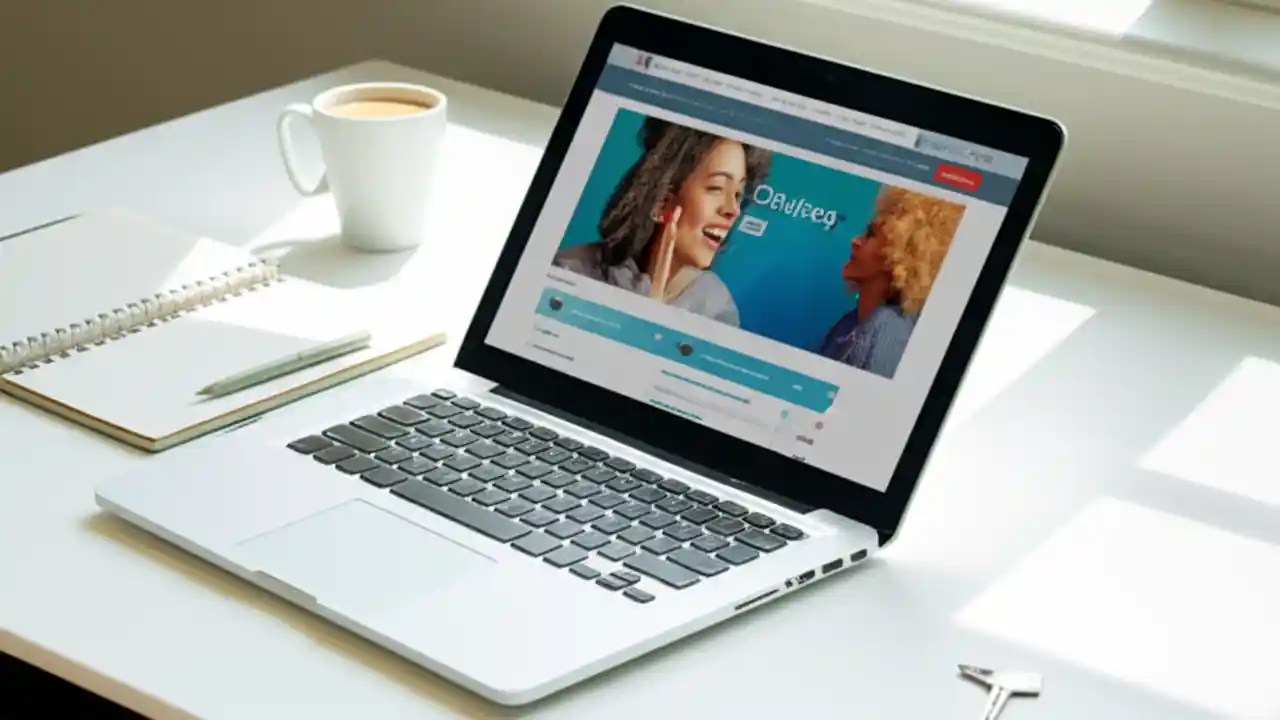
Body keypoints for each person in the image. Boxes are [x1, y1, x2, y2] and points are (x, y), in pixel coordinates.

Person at [554, 118, 772, 325]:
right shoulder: (570, 270)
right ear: (661, 203)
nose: (733, 210)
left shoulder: (717, 307)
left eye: (737, 194)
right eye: (716, 188)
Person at [818, 186, 964, 378]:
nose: (855, 241)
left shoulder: (890, 330)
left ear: (897, 256)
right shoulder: (848, 324)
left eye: (870, 235)